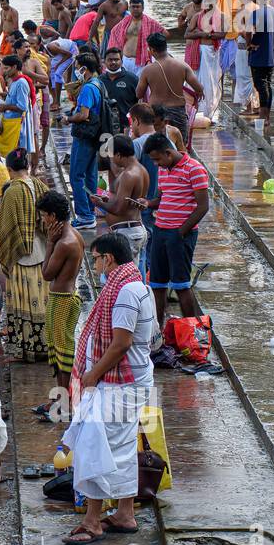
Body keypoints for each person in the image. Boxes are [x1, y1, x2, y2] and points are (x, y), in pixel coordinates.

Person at [61, 234, 155, 545]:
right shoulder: (134, 285)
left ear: (109, 259)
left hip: (119, 384)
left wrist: (92, 375)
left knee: (95, 447)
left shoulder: (126, 291)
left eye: (97, 259)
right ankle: (124, 515)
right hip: (128, 382)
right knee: (123, 448)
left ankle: (93, 520)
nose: (96, 265)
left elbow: (121, 343)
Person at [137, 134, 208, 326]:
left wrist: (181, 233)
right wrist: (148, 203)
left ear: (168, 153)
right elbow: (161, 199)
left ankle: (192, 331)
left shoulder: (194, 169)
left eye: (157, 159)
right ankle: (158, 330)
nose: (156, 164)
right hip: (160, 230)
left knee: (181, 285)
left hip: (181, 234)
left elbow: (203, 207)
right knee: (157, 285)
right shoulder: (163, 170)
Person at [0, 148, 49, 364]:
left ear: (9, 169)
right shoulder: (40, 185)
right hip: (42, 250)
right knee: (42, 302)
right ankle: (45, 347)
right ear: (27, 166)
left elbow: (5, 227)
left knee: (23, 304)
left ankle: (26, 351)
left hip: (21, 256)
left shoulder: (12, 191)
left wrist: (3, 251)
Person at [38, 190, 84, 409]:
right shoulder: (75, 234)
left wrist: (49, 243)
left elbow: (46, 274)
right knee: (60, 347)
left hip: (61, 298)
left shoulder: (63, 242)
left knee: (62, 350)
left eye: (44, 215)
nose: (43, 220)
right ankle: (60, 398)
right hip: (68, 294)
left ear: (53, 216)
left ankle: (63, 400)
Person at [136, 31, 203, 151]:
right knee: (180, 148)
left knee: (157, 149)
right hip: (178, 111)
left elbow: (139, 94)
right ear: (165, 47)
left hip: (156, 114)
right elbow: (199, 88)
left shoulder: (148, 70)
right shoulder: (182, 66)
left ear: (151, 50)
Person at [91, 135, 149, 262]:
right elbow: (126, 202)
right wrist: (107, 200)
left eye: (111, 156)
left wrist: (99, 203)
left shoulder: (128, 175)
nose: (111, 159)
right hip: (133, 229)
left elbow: (119, 209)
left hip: (128, 232)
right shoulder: (141, 169)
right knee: (135, 272)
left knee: (124, 275)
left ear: (118, 155)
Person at [65, 54, 105, 231]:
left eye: (77, 67)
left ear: (83, 69)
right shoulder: (99, 83)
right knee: (90, 175)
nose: (76, 71)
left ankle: (85, 215)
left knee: (76, 176)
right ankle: (90, 211)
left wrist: (69, 119)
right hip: (95, 136)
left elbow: (84, 115)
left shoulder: (88, 88)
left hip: (85, 136)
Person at [246, 0, 274, 126]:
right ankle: (266, 118)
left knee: (260, 85)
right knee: (267, 84)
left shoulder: (256, 13)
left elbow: (248, 32)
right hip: (272, 53)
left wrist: (249, 44)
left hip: (259, 53)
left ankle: (263, 119)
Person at [106, 0, 161, 77]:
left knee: (141, 87)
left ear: (142, 8)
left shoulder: (150, 22)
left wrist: (152, 50)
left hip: (142, 61)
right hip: (125, 60)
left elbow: (165, 33)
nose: (135, 9)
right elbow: (114, 32)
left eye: (138, 7)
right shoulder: (125, 22)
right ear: (129, 8)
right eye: (133, 6)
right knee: (125, 85)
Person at [99, 47, 139, 129]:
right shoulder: (99, 80)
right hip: (104, 126)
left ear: (122, 61)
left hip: (126, 127)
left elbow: (140, 102)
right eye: (110, 60)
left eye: (116, 59)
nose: (113, 62)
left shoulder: (132, 79)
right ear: (104, 62)